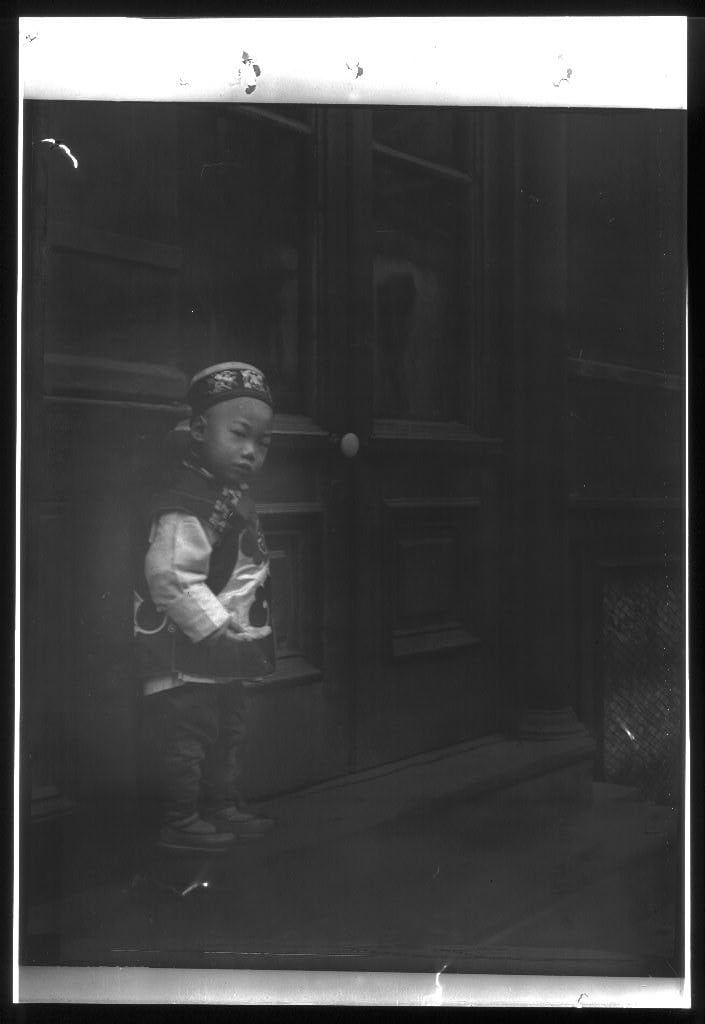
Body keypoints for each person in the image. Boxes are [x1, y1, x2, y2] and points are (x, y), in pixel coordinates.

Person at [133, 362, 277, 853]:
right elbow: (170, 576)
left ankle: (222, 805)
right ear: (198, 430)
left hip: (224, 647)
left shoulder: (227, 495)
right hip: (187, 651)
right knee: (188, 734)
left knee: (228, 728)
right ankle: (180, 818)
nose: (250, 451)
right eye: (239, 435)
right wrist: (216, 626)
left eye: (262, 443)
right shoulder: (187, 500)